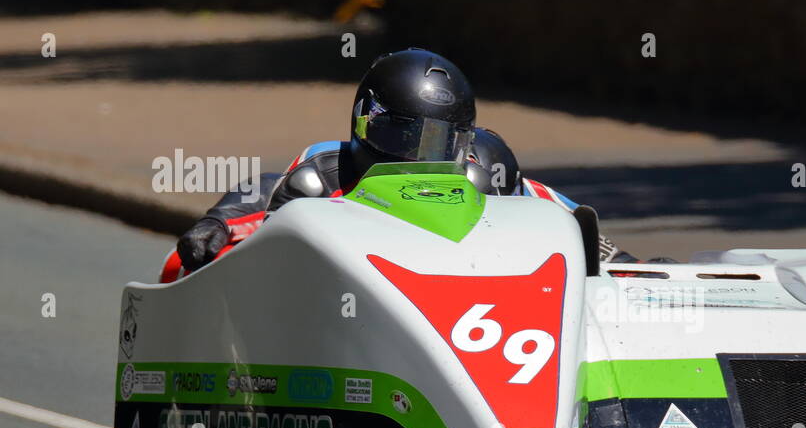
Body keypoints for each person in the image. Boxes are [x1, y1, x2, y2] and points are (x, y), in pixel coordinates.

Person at [165, 48, 630, 281]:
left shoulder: (488, 167)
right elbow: (263, 190)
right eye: (401, 137)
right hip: (360, 312)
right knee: (175, 264)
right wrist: (218, 222)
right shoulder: (323, 171)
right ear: (362, 121)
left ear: (464, 142)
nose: (419, 157)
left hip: (474, 313)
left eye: (439, 143)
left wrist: (632, 270)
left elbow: (566, 219)